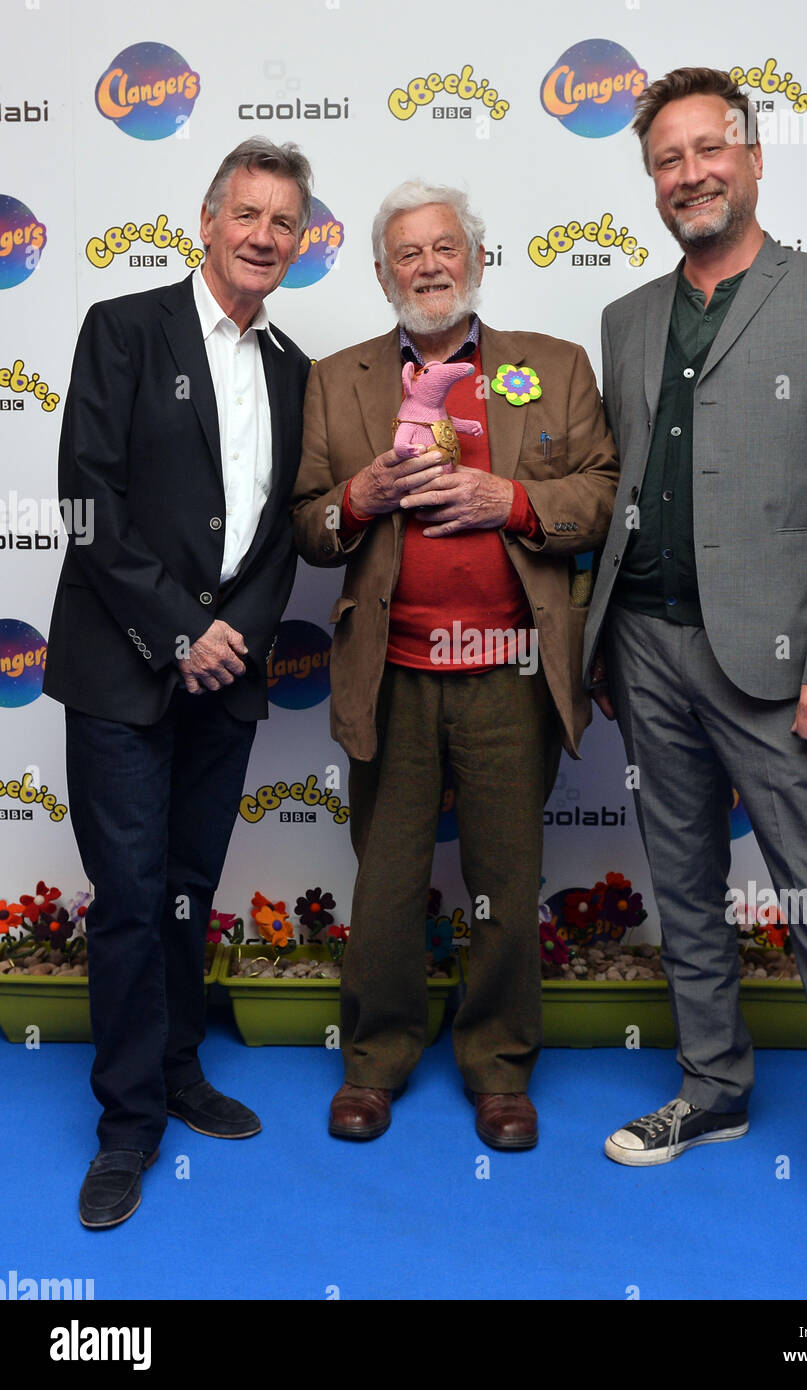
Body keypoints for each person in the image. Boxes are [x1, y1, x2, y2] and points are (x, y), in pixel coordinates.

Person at [582, 68, 807, 1298]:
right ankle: (713, 1090)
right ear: (651, 182)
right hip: (647, 655)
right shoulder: (624, 318)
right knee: (681, 888)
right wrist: (604, 644)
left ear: (754, 157)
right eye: (665, 159)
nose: (688, 174)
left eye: (706, 150)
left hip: (782, 672)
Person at [290, 180, 618, 1150]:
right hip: (389, 672)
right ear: (382, 271)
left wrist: (510, 501)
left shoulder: (551, 368)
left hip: (511, 673)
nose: (427, 265)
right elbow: (309, 526)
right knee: (385, 882)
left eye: (444, 247)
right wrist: (356, 493)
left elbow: (601, 496)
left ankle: (498, 1066)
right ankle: (375, 1061)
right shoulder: (336, 378)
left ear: (475, 258)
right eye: (406, 252)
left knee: (504, 881)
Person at [44, 138, 313, 1228]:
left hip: (227, 677)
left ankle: (181, 1070)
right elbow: (83, 502)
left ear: (299, 242)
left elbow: (279, 537)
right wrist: (179, 628)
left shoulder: (293, 367)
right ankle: (126, 1124)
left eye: (282, 222)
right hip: (123, 666)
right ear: (207, 223)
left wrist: (229, 638)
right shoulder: (122, 328)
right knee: (128, 894)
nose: (261, 236)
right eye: (245, 214)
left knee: (189, 883)